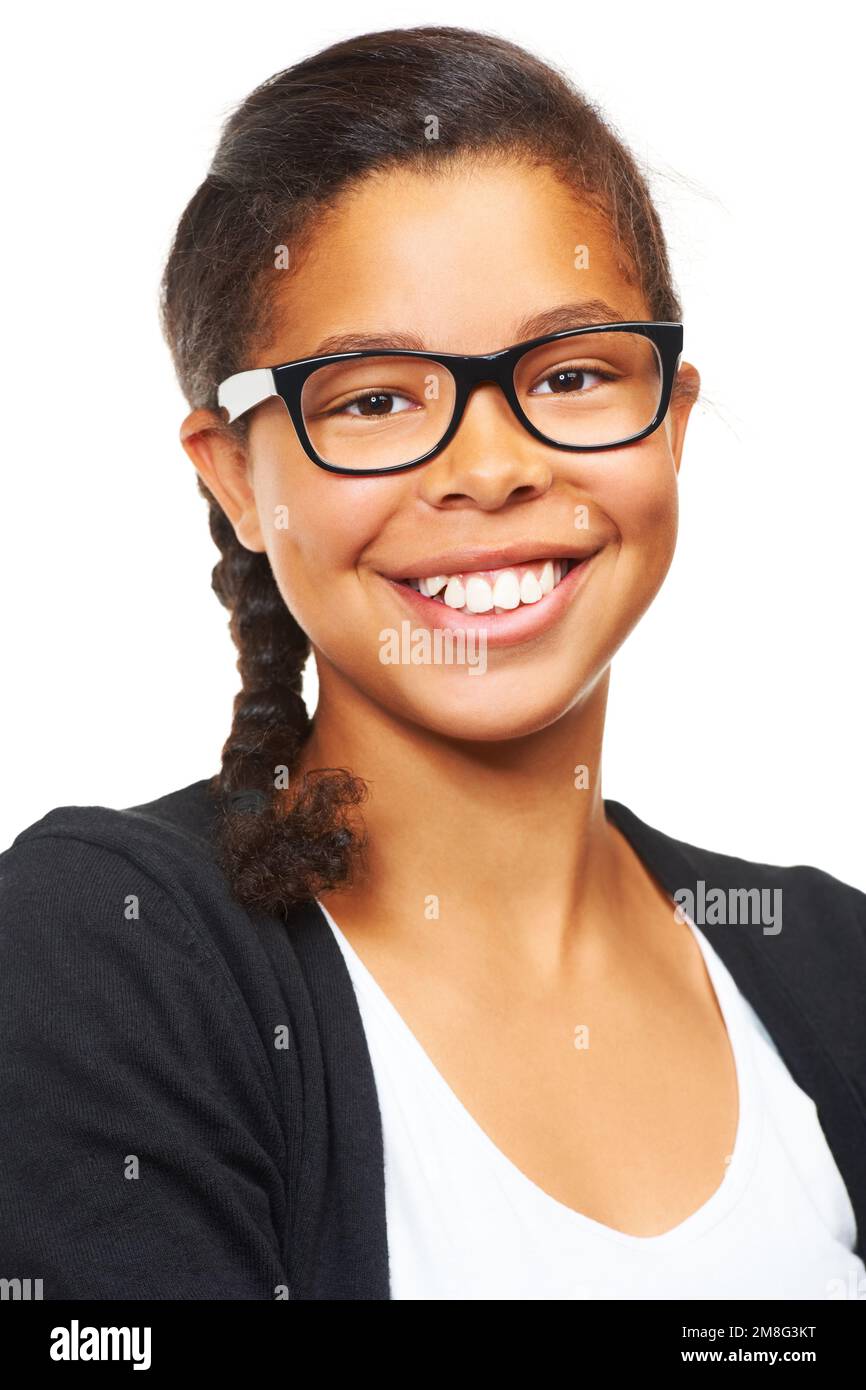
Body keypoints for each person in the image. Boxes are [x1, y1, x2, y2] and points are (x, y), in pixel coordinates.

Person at [2, 25, 865, 1302]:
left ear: (669, 420)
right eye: (374, 399)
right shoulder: (104, 952)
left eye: (570, 374)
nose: (490, 464)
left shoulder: (827, 958)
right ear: (236, 476)